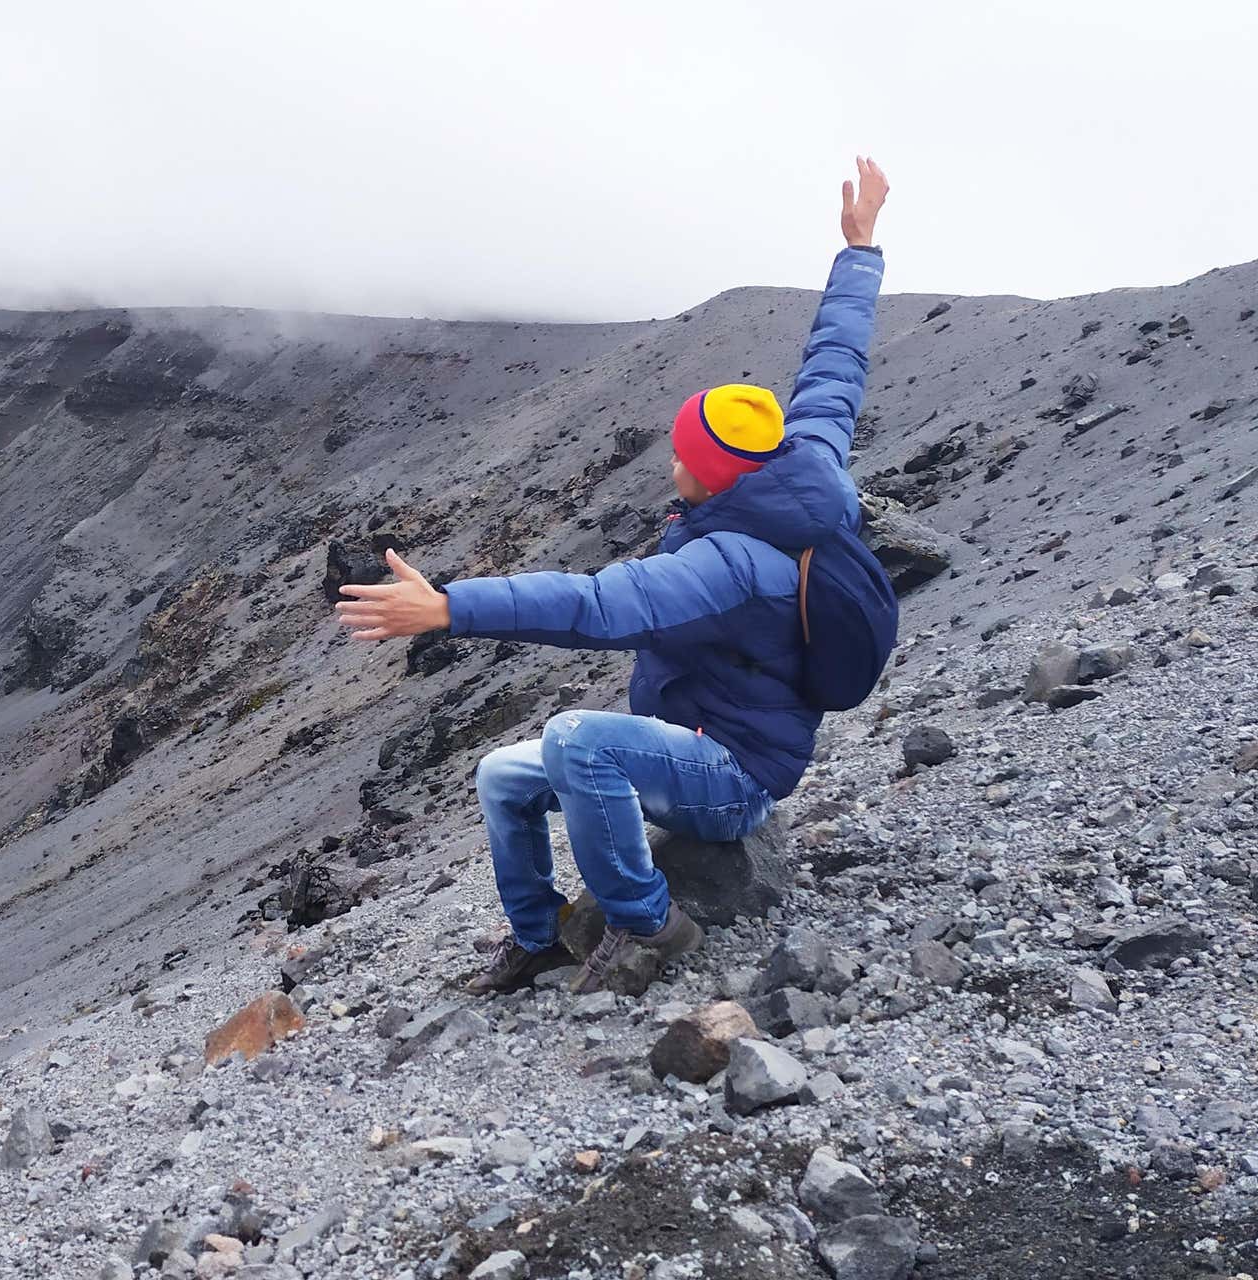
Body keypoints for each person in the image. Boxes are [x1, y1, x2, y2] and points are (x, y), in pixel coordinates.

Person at [335, 158, 890, 996]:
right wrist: (860, 252)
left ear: (712, 474)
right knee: (501, 777)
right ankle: (541, 940)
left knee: (575, 739)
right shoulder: (799, 460)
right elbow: (834, 370)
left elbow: (595, 606)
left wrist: (448, 607)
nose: (673, 464)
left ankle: (646, 926)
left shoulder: (733, 563)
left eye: (684, 455)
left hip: (732, 775)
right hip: (690, 744)